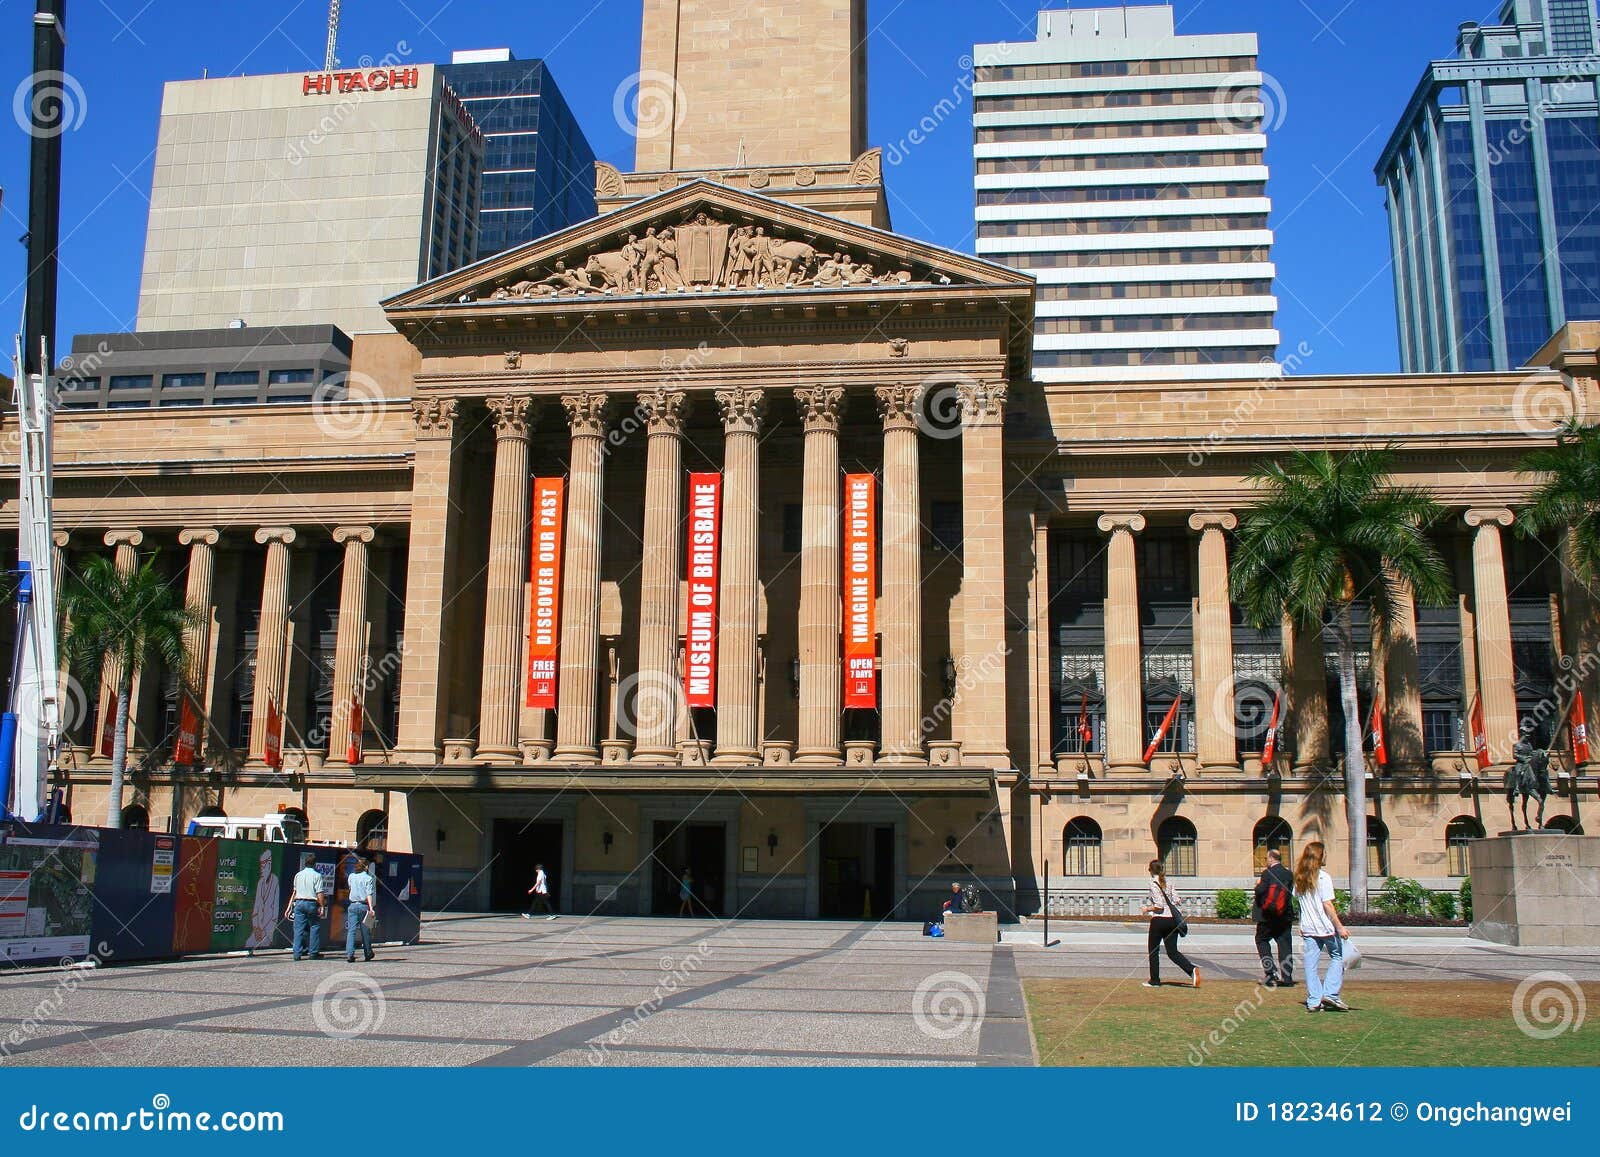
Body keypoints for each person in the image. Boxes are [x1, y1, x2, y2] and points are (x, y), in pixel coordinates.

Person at [1293, 841, 1351, 1012]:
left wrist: (1301, 923)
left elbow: (1300, 904)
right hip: (1325, 927)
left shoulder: (1299, 878)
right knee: (1338, 956)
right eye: (1324, 854)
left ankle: (1314, 1000)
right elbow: (1327, 905)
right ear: (1319, 856)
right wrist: (1339, 927)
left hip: (1309, 928)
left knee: (1310, 964)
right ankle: (1330, 994)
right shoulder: (1323, 877)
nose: (1326, 856)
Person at [1139, 858, 1200, 988]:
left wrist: (1147, 909)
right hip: (1172, 921)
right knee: (1172, 952)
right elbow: (1177, 900)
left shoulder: (1153, 883)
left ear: (1150, 870)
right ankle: (1191, 969)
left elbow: (1159, 906)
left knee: (1153, 951)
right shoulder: (1169, 882)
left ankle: (1155, 980)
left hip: (1159, 920)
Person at [1252, 848, 1296, 987]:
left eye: (1266, 859)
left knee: (1261, 940)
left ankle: (1270, 972)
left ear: (1271, 858)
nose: (1266, 861)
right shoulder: (1289, 874)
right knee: (1285, 945)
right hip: (1284, 915)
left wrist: (1257, 885)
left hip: (1268, 916)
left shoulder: (1267, 873)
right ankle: (1287, 977)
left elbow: (1260, 891)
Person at [283, 852, 326, 961]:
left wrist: (288, 908)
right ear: (314, 864)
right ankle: (313, 953)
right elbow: (319, 893)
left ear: (305, 863)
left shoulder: (298, 875)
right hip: (311, 903)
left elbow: (294, 892)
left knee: (298, 929)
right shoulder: (317, 876)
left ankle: (297, 954)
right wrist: (322, 906)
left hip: (299, 903)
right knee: (314, 927)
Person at [344, 856, 377, 963]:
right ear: (366, 867)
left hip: (352, 905)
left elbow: (350, 888)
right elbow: (369, 894)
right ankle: (368, 953)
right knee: (365, 931)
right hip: (363, 906)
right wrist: (371, 908)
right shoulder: (368, 878)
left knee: (351, 930)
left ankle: (350, 954)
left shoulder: (351, 876)